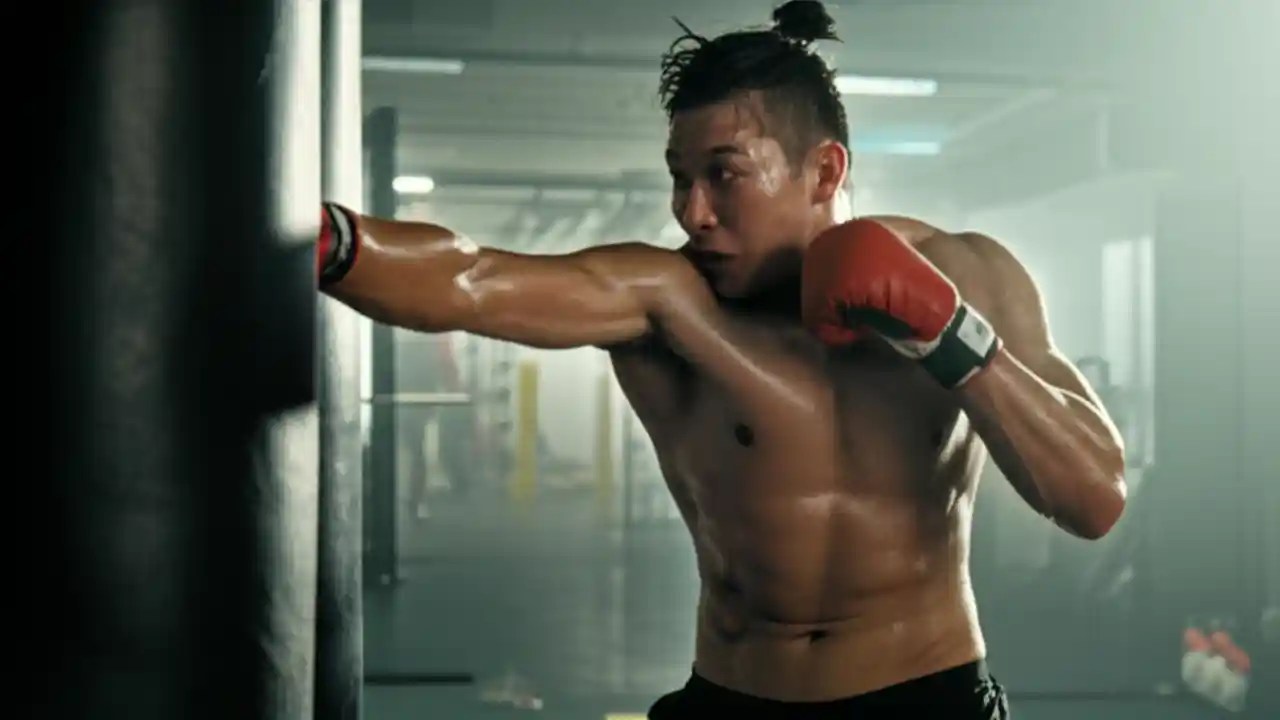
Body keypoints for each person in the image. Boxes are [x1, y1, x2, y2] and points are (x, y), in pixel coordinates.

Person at [317, 1, 1127, 716]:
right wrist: (318, 238)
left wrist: (947, 335)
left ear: (826, 170)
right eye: (680, 179)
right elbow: (473, 278)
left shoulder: (969, 273)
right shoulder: (661, 300)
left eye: (724, 176)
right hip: (734, 697)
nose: (692, 211)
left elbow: (1093, 497)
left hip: (927, 698)